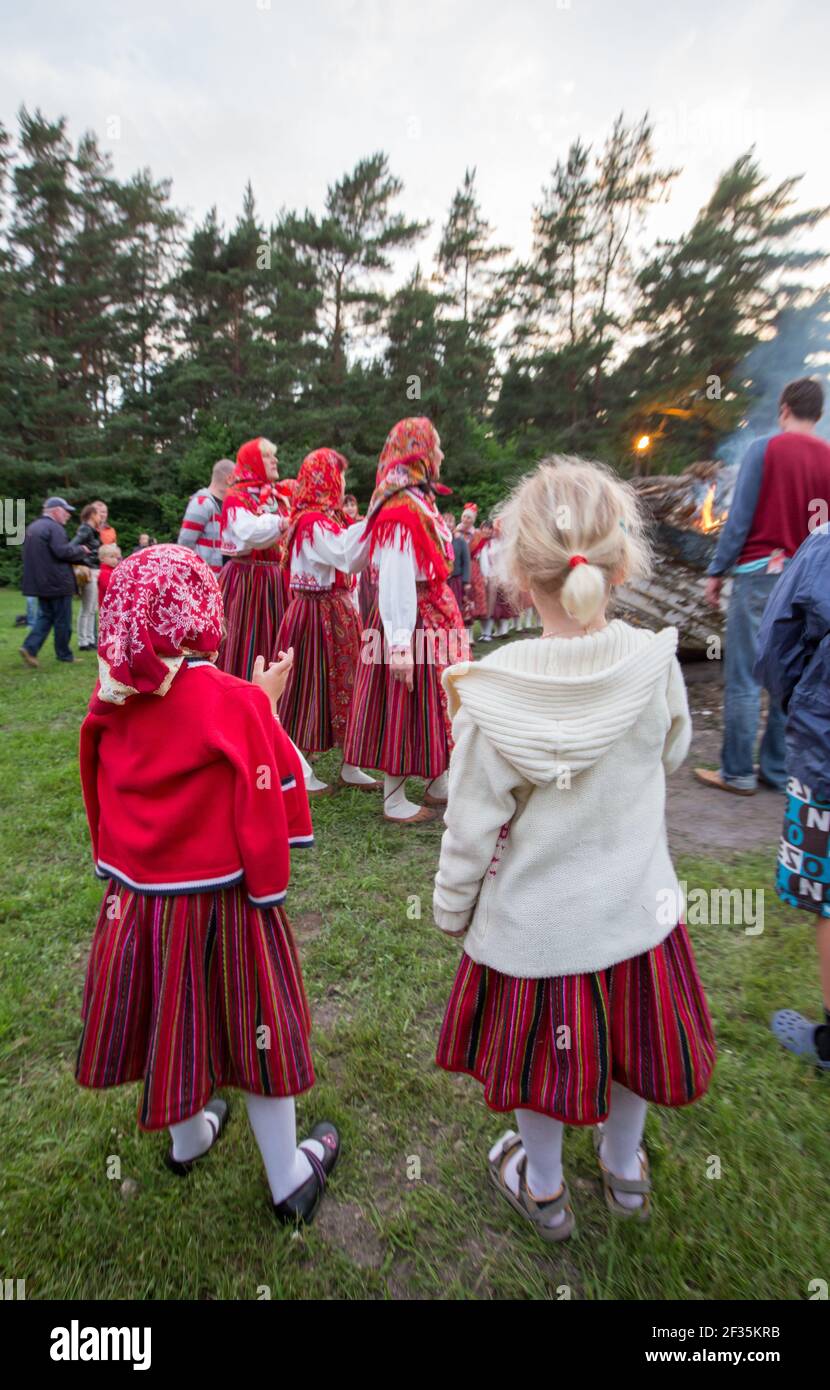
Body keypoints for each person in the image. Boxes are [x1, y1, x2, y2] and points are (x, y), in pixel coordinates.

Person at [433, 457, 715, 1241]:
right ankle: (625, 1172)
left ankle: (546, 1187)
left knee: (539, 1069)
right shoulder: (656, 662)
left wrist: (453, 907)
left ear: (520, 577)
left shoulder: (492, 690)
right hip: (636, 916)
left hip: (536, 936)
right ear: (621, 563)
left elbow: (470, 825)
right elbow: (668, 755)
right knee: (632, 1048)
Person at [76, 545, 340, 1224]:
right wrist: (264, 703)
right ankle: (287, 1176)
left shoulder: (111, 699)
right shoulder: (234, 701)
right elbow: (269, 787)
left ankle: (188, 1136)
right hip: (226, 903)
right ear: (201, 608)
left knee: (173, 1012)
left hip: (138, 902)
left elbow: (98, 790)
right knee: (259, 1025)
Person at [696, 377, 830, 797]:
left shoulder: (764, 450)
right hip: (812, 579)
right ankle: (777, 769)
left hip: (761, 575)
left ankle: (736, 772)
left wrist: (717, 570)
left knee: (744, 675)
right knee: (792, 675)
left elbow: (739, 519)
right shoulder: (829, 458)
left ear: (784, 409)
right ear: (820, 415)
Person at [342, 417, 469, 824]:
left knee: (436, 701)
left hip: (431, 614)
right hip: (411, 617)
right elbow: (394, 574)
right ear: (419, 453)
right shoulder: (399, 505)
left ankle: (436, 781)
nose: (442, 454)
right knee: (404, 701)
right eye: (437, 446)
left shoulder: (411, 498)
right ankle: (394, 800)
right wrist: (398, 644)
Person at [754, 523, 830, 1070]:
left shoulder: (824, 546)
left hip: (827, 749)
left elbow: (776, 645)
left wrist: (800, 706)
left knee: (829, 895)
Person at [276, 449, 378, 794]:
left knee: (344, 687)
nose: (343, 482)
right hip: (316, 613)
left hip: (331, 609)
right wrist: (377, 517)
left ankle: (350, 765)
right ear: (326, 478)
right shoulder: (312, 522)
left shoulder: (320, 519)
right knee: (307, 687)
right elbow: (345, 556)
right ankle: (297, 767)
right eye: (340, 474)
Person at [217, 438, 293, 680]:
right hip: (247, 581)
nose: (275, 460)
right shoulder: (236, 497)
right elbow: (250, 534)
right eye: (268, 456)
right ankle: (241, 693)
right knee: (245, 638)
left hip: (275, 579)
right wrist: (282, 523)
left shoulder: (278, 497)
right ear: (253, 462)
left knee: (274, 640)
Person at [20, 497, 90, 668]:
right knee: (63, 621)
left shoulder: (33, 527)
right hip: (57, 582)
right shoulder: (54, 527)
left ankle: (29, 648)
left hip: (40, 582)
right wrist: (81, 550)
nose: (68, 515)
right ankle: (64, 655)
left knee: (45, 617)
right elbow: (62, 552)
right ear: (56, 510)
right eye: (66, 511)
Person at [177, 458, 235, 574]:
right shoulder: (202, 503)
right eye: (237, 480)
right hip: (204, 578)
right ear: (229, 479)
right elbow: (184, 545)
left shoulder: (227, 506)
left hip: (221, 579)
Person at [73, 503, 103, 650]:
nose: (100, 517)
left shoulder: (92, 530)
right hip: (88, 570)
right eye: (98, 514)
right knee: (87, 607)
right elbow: (73, 546)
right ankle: (83, 641)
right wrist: (85, 557)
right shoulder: (85, 529)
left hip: (94, 569)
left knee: (92, 608)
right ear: (92, 515)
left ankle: (90, 639)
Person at [96, 542, 121, 607]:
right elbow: (110, 588)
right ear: (102, 558)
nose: (115, 560)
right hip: (107, 606)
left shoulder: (114, 571)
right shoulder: (104, 573)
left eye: (117, 558)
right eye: (111, 557)